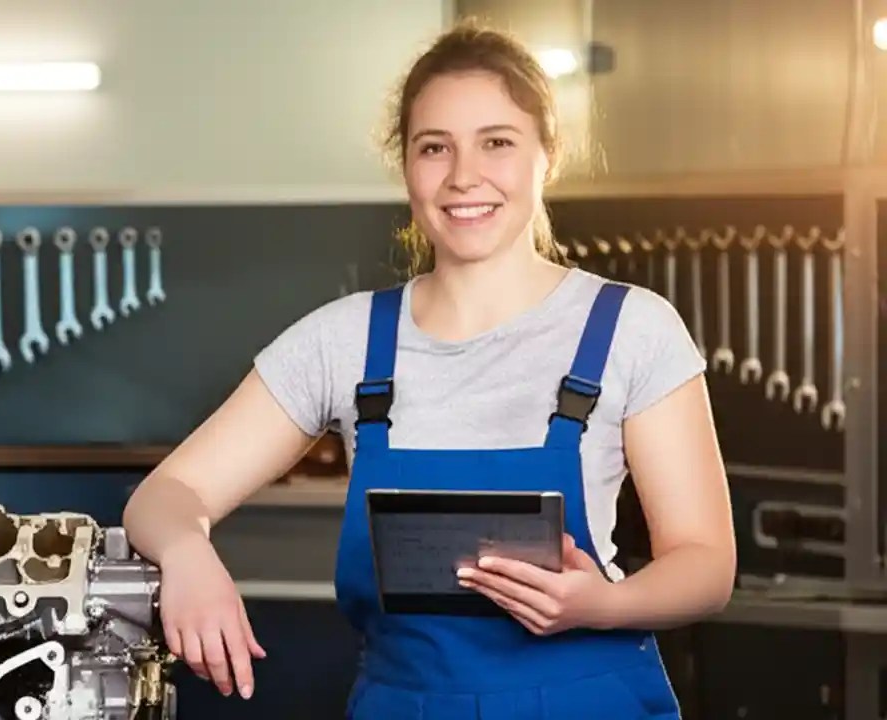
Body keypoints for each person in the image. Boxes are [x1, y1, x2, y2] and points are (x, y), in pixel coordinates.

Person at [122, 18, 736, 719]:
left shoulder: (632, 327)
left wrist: (605, 603)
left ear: (547, 154)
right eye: (433, 148)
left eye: (497, 143)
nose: (463, 176)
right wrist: (187, 555)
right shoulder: (344, 341)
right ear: (407, 164)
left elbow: (707, 564)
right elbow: (165, 494)